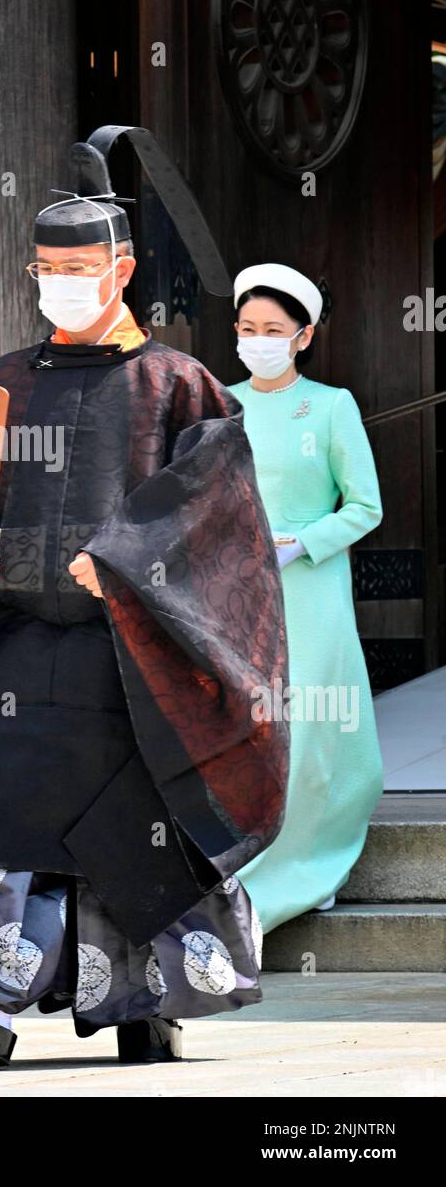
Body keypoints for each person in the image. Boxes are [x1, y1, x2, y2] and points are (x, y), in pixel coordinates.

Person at [0, 167, 290, 1068]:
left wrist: (129, 557)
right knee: (2, 800)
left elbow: (213, 509)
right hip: (9, 649)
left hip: (125, 656)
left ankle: (145, 1003)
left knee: (127, 818)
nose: (61, 280)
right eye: (45, 266)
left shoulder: (178, 384)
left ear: (121, 268)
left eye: (80, 264)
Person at [229, 263, 384, 934]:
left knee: (313, 730)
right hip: (235, 585)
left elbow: (365, 506)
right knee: (244, 728)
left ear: (302, 336)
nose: (257, 339)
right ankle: (240, 868)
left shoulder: (329, 405)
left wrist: (302, 543)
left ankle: (312, 865)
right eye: (245, 328)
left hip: (310, 586)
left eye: (271, 329)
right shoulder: (217, 400)